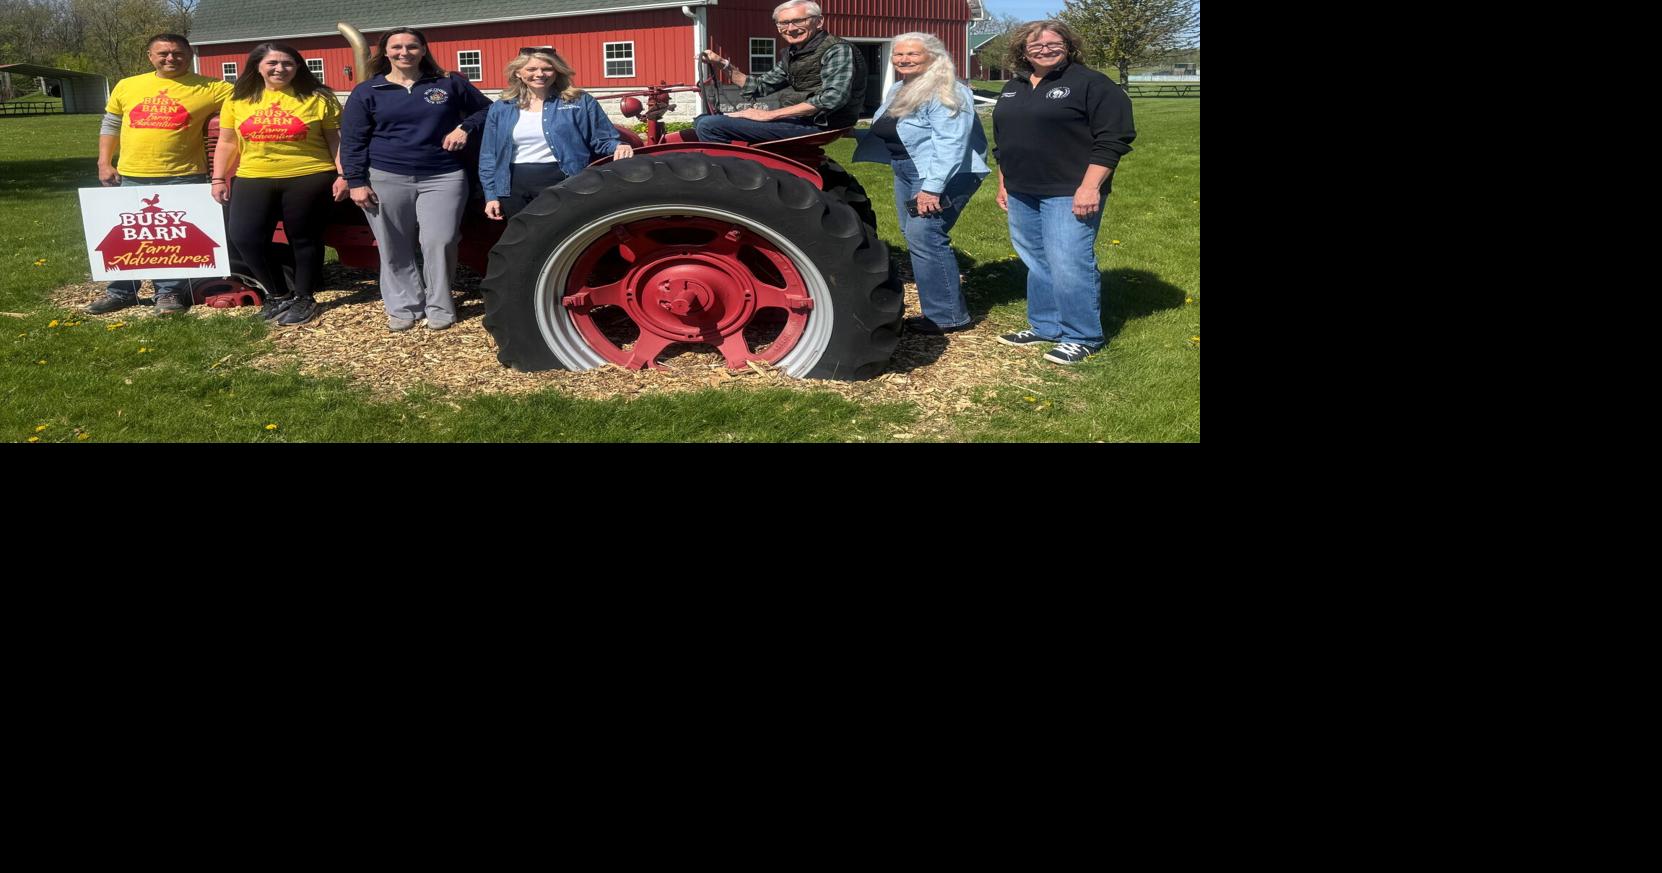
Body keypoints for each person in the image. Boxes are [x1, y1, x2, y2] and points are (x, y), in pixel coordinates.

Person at [992, 20, 1135, 365]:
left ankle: (1082, 335)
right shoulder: (1014, 86)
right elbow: (1004, 140)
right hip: (1022, 189)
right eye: (1035, 45)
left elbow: (1114, 138)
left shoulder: (1091, 84)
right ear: (1023, 51)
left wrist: (1089, 188)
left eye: (1053, 43)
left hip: (1068, 190)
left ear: (1068, 46)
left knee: (1069, 261)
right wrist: (1003, 182)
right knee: (1037, 261)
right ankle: (1045, 326)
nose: (1044, 49)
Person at [340, 27, 492, 332]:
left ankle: (439, 303)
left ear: (423, 50)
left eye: (412, 46)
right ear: (385, 52)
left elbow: (490, 109)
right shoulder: (368, 91)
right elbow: (354, 140)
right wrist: (355, 181)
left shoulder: (448, 84)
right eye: (396, 47)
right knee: (393, 244)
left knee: (440, 240)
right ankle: (404, 306)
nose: (404, 52)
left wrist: (465, 127)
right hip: (386, 175)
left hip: (443, 175)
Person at [852, 32, 989, 335]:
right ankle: (941, 307)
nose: (903, 60)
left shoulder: (946, 89)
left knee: (925, 232)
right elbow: (892, 128)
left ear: (934, 56)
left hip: (941, 173)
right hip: (908, 168)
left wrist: (932, 188)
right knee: (915, 234)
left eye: (912, 54)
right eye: (898, 55)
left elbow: (950, 142)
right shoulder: (901, 87)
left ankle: (948, 316)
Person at [88, 34, 233, 315]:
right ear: (149, 56)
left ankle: (168, 293)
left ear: (189, 55)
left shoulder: (213, 88)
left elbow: (251, 100)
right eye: (163, 53)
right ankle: (121, 292)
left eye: (178, 53)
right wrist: (104, 162)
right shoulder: (128, 85)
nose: (170, 58)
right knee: (127, 235)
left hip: (183, 174)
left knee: (172, 239)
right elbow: (111, 124)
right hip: (131, 174)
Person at [210, 43, 348, 326]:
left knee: (304, 238)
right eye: (272, 63)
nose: (280, 69)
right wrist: (218, 177)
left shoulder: (318, 97)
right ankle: (278, 294)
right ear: (258, 67)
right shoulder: (239, 99)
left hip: (308, 175)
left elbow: (336, 140)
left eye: (288, 63)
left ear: (298, 67)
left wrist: (344, 174)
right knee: (244, 237)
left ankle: (304, 297)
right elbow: (227, 142)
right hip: (253, 176)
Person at [479, 48, 633, 223]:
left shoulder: (579, 101)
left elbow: (601, 138)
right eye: (531, 69)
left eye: (547, 68)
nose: (540, 74)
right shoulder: (501, 107)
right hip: (514, 185)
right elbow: (489, 155)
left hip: (564, 180)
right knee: (523, 239)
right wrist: (491, 195)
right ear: (518, 73)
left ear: (557, 71)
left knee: (564, 236)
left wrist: (618, 146)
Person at [693, 1, 866, 143]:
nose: (790, 28)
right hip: (807, 120)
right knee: (702, 120)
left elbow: (833, 98)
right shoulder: (794, 54)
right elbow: (759, 87)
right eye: (783, 23)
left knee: (710, 126)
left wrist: (768, 115)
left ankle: (732, 179)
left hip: (822, 124)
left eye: (798, 21)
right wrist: (722, 63)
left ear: (819, 22)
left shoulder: (836, 49)